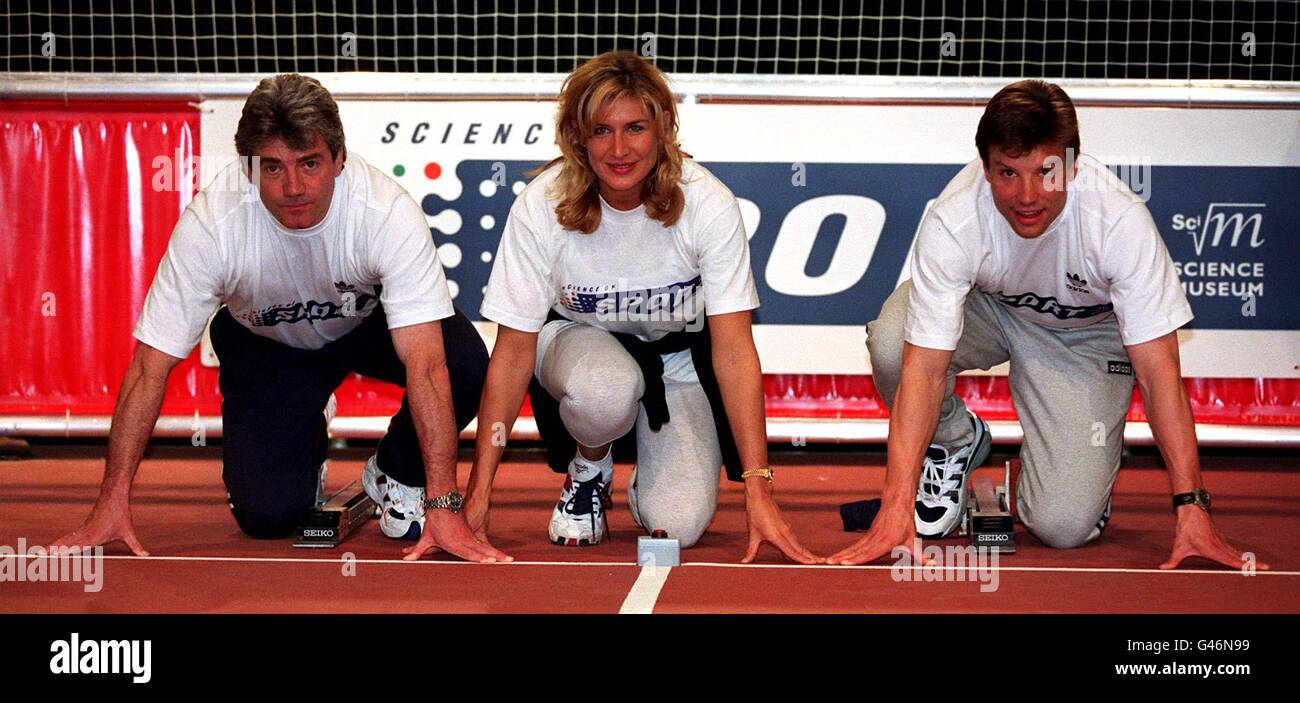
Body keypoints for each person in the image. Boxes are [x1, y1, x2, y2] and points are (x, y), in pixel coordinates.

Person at [52, 74, 509, 564]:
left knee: (462, 362)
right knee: (268, 517)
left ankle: (394, 470)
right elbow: (149, 368)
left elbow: (426, 367)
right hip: (266, 343)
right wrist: (111, 497)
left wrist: (442, 503)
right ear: (248, 169)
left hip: (364, 324)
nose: (293, 188)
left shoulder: (384, 212)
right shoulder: (212, 225)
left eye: (309, 164)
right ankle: (306, 418)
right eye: (273, 167)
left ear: (339, 160)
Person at [830, 80, 1266, 571]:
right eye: (1008, 174)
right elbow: (924, 369)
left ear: (1073, 165)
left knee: (1062, 527)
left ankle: (1065, 471)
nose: (1028, 196)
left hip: (1086, 335)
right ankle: (953, 441)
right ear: (985, 168)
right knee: (893, 340)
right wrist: (895, 507)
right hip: (990, 309)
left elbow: (1159, 373)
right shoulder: (955, 218)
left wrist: (1192, 507)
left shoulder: (1118, 221)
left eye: (1046, 172)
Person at [462, 51, 819, 563]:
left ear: (665, 126)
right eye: (601, 131)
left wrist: (758, 489)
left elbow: (735, 351)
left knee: (679, 525)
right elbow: (513, 351)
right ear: (578, 138)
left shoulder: (707, 203)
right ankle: (591, 464)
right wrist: (479, 495)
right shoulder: (543, 205)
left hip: (676, 361)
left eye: (635, 128)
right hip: (575, 346)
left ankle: (647, 478)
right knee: (606, 389)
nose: (620, 149)